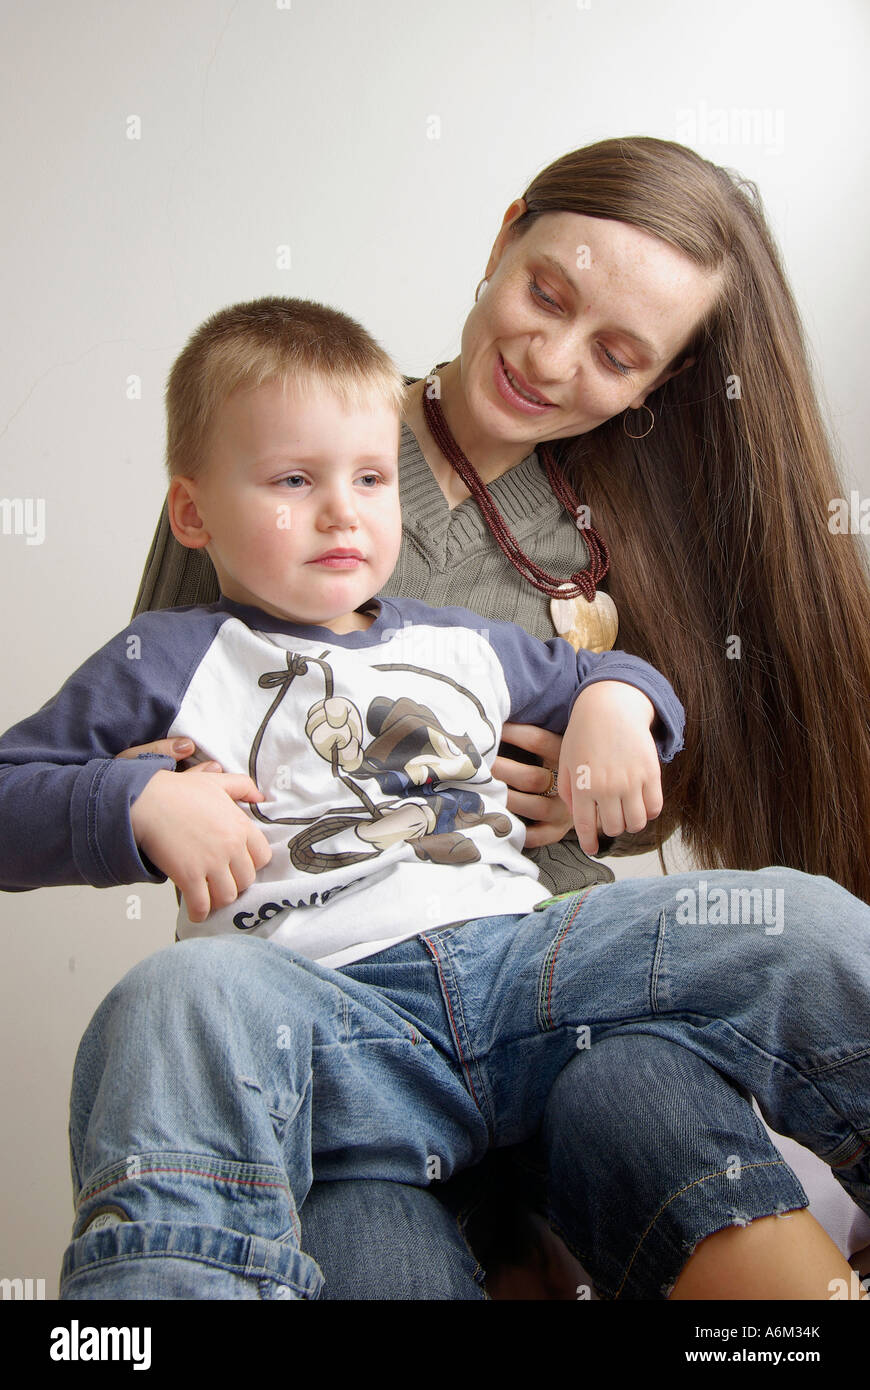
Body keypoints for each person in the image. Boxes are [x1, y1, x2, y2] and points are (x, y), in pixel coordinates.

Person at [4, 289, 868, 1302]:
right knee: (175, 1001)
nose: (342, 510)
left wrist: (617, 706)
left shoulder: (458, 642)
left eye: (370, 477)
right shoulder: (172, 660)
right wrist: (136, 802)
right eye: (294, 478)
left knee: (787, 916)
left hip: (521, 974)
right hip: (336, 1032)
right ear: (193, 511)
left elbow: (605, 677)